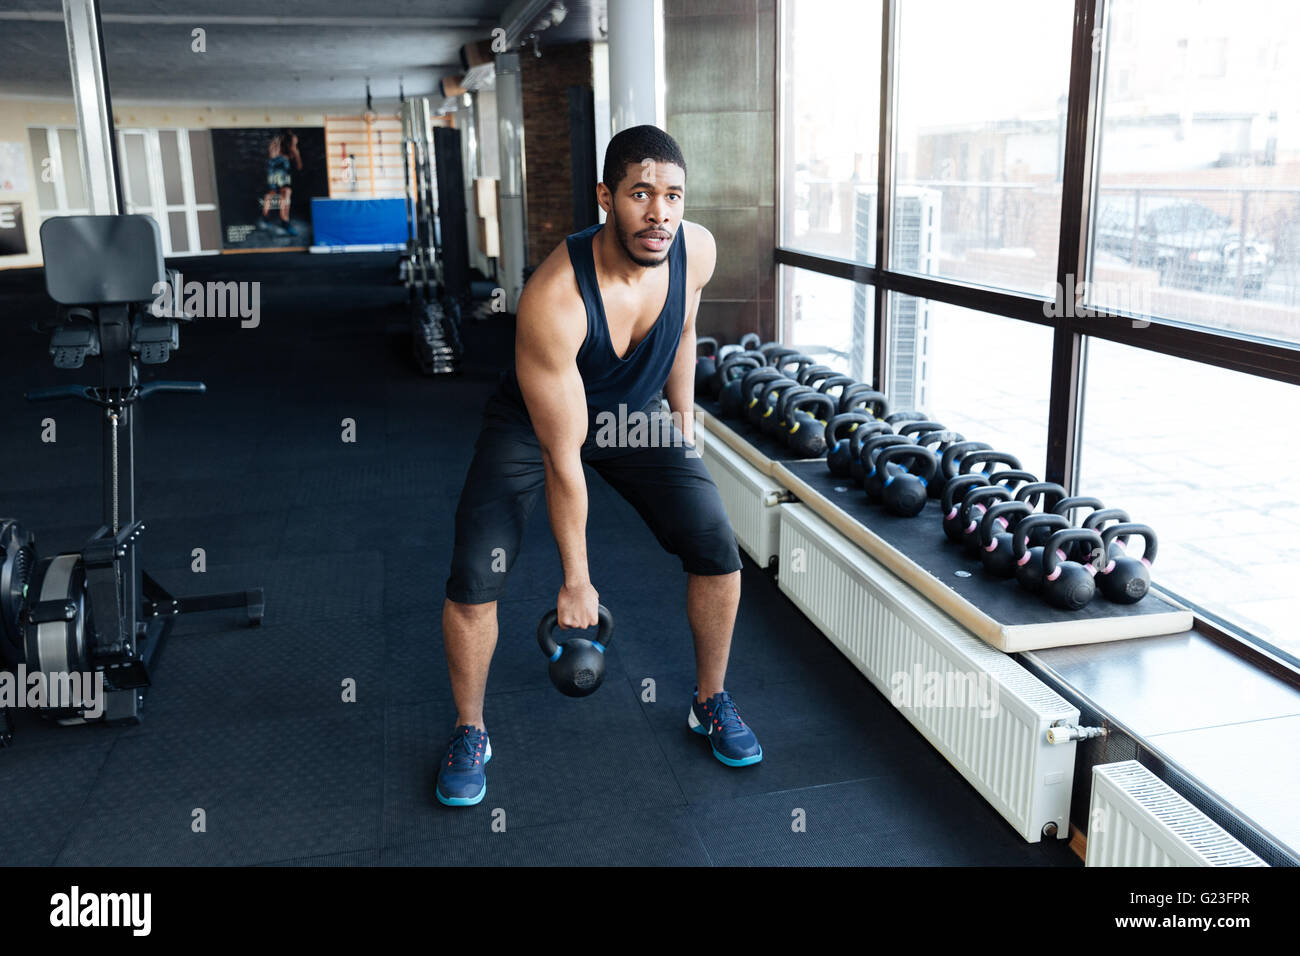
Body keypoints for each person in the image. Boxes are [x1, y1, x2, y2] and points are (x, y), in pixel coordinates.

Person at [436, 125, 762, 807]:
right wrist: (576, 581)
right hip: (535, 427)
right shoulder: (555, 299)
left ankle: (711, 701)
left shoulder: (694, 251)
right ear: (606, 198)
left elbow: (684, 328)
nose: (660, 213)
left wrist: (682, 419)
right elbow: (565, 457)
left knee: (717, 551)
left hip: (634, 412)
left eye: (672, 195)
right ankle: (471, 730)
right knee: (476, 573)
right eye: (641, 193)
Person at [258, 131, 302, 236]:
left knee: (284, 194)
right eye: (294, 141)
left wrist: (296, 153)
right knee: (273, 194)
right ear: (288, 141)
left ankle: (283, 221)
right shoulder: (276, 146)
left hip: (283, 177)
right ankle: (268, 219)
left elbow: (299, 167)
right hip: (273, 176)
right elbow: (271, 162)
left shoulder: (291, 151)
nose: (295, 143)